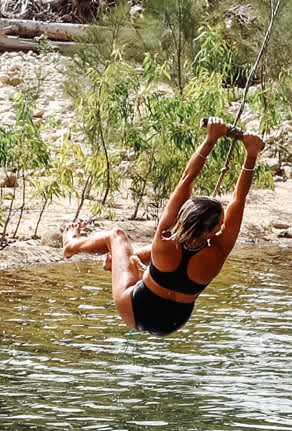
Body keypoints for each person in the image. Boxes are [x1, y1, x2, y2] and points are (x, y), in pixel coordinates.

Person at [62, 119, 264, 335]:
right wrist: (251, 154)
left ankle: (71, 245)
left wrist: (210, 140)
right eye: (221, 222)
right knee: (153, 255)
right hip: (172, 324)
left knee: (116, 236)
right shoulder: (219, 250)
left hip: (134, 310)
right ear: (213, 230)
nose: (222, 225)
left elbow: (187, 178)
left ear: (183, 217)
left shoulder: (165, 235)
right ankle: (113, 257)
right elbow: (239, 199)